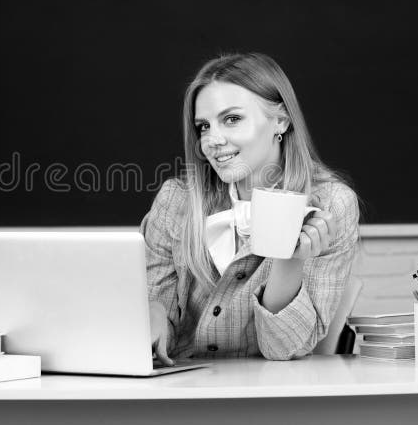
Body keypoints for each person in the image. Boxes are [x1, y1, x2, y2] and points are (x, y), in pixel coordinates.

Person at [141, 53, 359, 363]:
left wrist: (289, 260)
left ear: (281, 120)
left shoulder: (331, 205)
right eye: (203, 126)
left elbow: (284, 349)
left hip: (270, 390)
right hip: (182, 387)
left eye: (232, 119)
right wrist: (154, 314)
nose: (212, 140)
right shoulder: (175, 201)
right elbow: (156, 318)